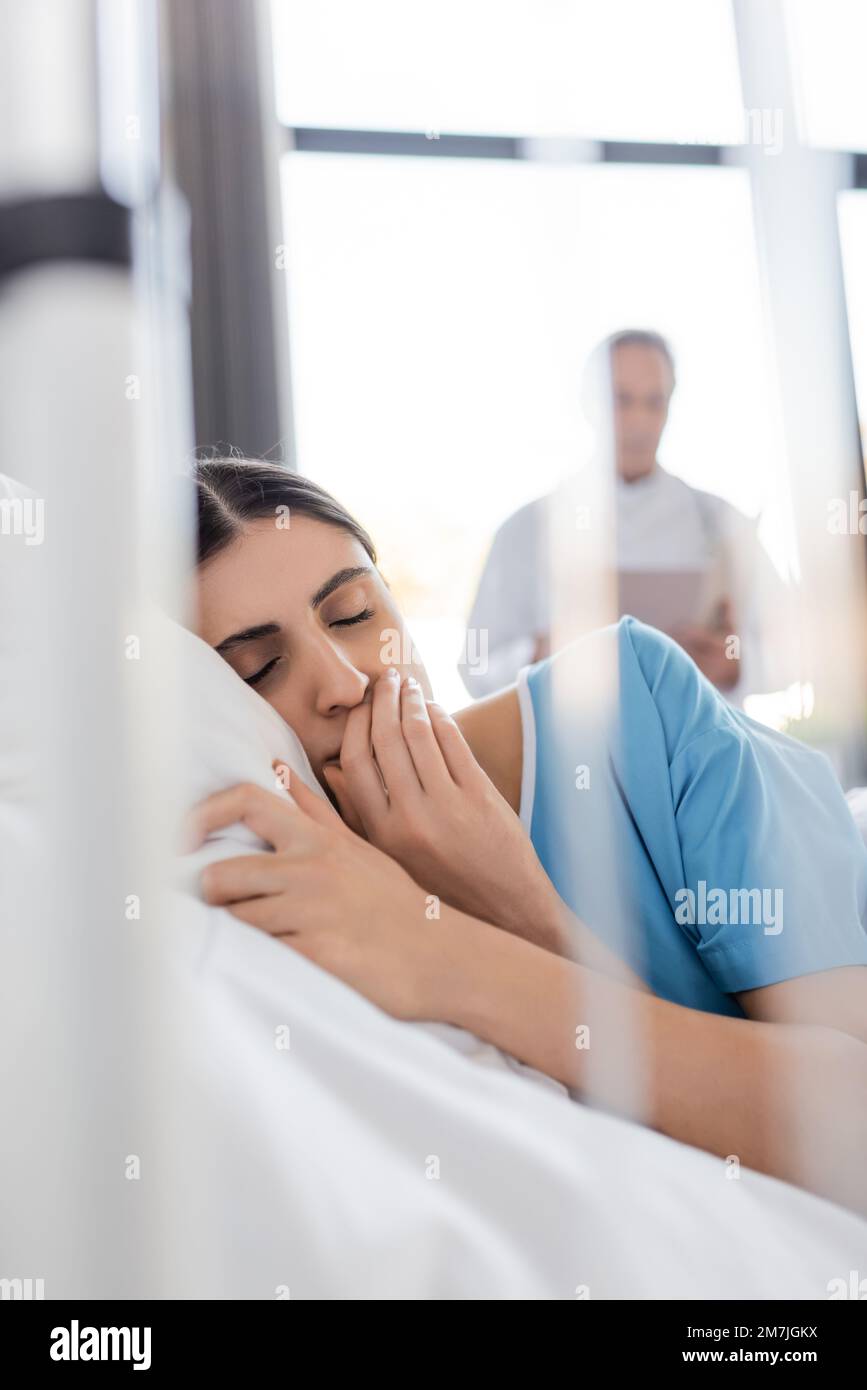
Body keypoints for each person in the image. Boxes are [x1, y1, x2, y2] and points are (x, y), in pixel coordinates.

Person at [189, 458, 867, 1217]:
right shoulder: (302, 896)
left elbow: (850, 1132)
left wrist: (498, 911)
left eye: (352, 615)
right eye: (258, 669)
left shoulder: (629, 703)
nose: (345, 682)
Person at [460, 330, 784, 702]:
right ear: (589, 404)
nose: (639, 421)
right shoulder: (526, 530)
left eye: (654, 401)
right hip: (572, 753)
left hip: (699, 752)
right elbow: (475, 663)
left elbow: (801, 650)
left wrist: (734, 663)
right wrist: (539, 653)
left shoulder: (723, 522)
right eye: (621, 400)